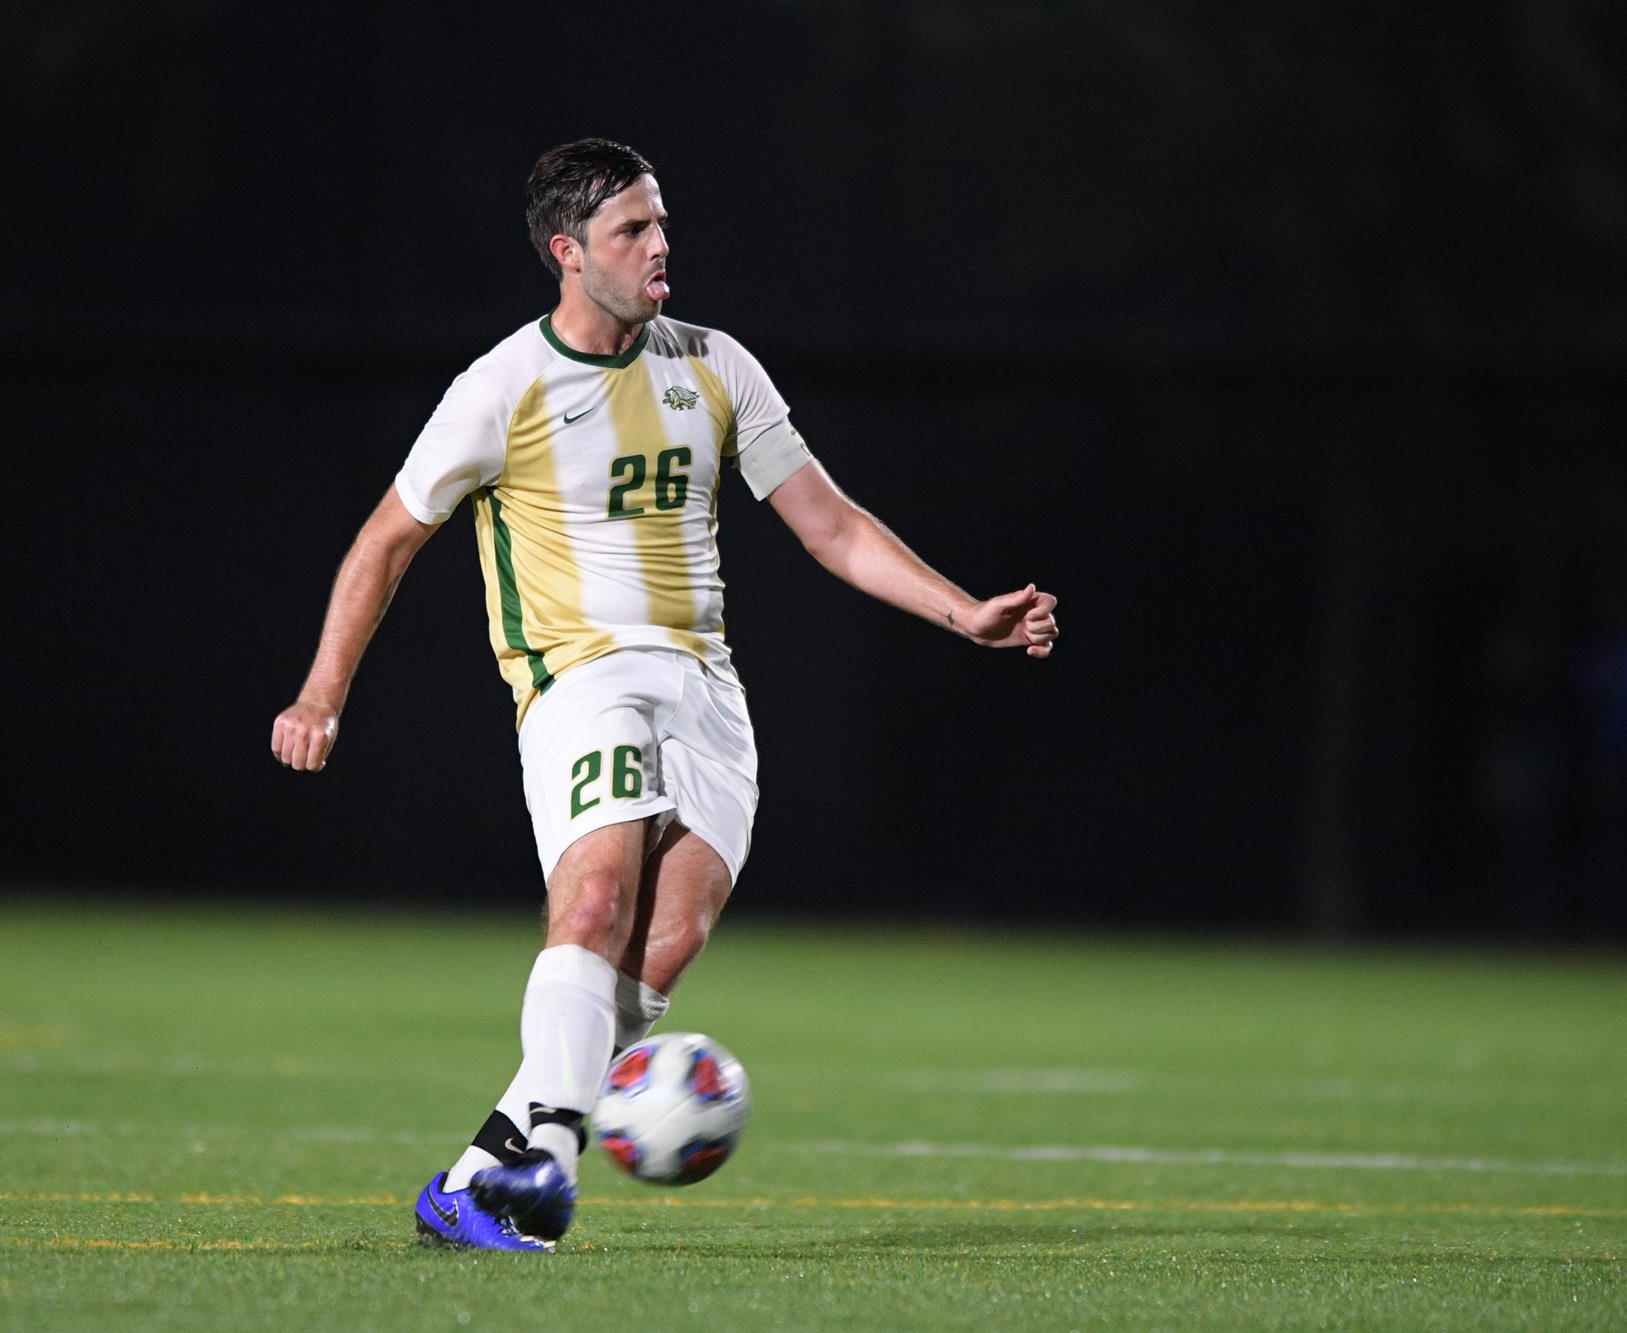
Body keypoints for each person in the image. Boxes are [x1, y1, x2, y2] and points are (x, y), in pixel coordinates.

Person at [270, 138, 1059, 1252]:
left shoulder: (714, 364)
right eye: (630, 231)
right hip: (578, 678)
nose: (659, 248)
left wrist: (962, 610)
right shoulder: (502, 387)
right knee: (591, 904)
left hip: (704, 689)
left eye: (661, 224)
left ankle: (470, 1182)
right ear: (566, 252)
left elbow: (828, 525)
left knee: (664, 944)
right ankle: (546, 1156)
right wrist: (322, 692)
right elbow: (386, 540)